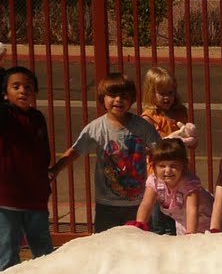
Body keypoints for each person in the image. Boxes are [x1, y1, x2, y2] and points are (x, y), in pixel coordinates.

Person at [49, 72, 160, 232]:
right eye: (112, 95)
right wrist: (56, 169)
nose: (118, 100)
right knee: (105, 246)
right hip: (106, 204)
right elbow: (75, 151)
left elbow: (160, 151)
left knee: (138, 246)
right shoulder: (96, 128)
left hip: (138, 203)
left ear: (132, 99)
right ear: (103, 98)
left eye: (123, 96)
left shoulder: (142, 126)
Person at [0, 46, 54, 273]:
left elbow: (44, 152)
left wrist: (45, 180)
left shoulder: (37, 117)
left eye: (28, 87)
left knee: (43, 252)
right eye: (16, 86)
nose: (23, 91)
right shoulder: (2, 117)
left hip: (35, 198)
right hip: (8, 199)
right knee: (8, 251)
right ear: (6, 94)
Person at [142, 65, 197, 235]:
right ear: (151, 94)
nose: (167, 98)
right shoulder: (149, 117)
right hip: (159, 173)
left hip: (178, 171)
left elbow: (190, 142)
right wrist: (168, 139)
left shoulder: (180, 112)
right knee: (160, 213)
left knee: (179, 211)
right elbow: (147, 147)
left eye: (171, 93)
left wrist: (191, 138)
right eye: (162, 93)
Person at [134, 138, 213, 235]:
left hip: (207, 223)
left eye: (173, 166)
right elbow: (146, 204)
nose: (167, 171)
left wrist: (191, 235)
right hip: (183, 224)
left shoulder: (189, 183)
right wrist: (140, 226)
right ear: (154, 167)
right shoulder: (154, 181)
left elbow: (192, 210)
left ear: (183, 166)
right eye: (162, 166)